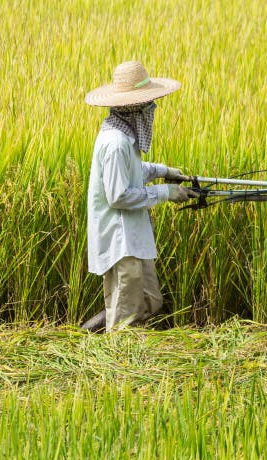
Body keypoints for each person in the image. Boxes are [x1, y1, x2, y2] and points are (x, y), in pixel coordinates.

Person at [81, 61, 197, 332]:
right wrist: (166, 192)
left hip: (133, 236)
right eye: (148, 103)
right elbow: (119, 195)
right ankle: (117, 349)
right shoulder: (115, 143)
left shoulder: (125, 137)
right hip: (119, 238)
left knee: (149, 300)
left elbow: (132, 172)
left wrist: (164, 171)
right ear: (135, 107)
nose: (152, 108)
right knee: (128, 313)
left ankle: (96, 330)